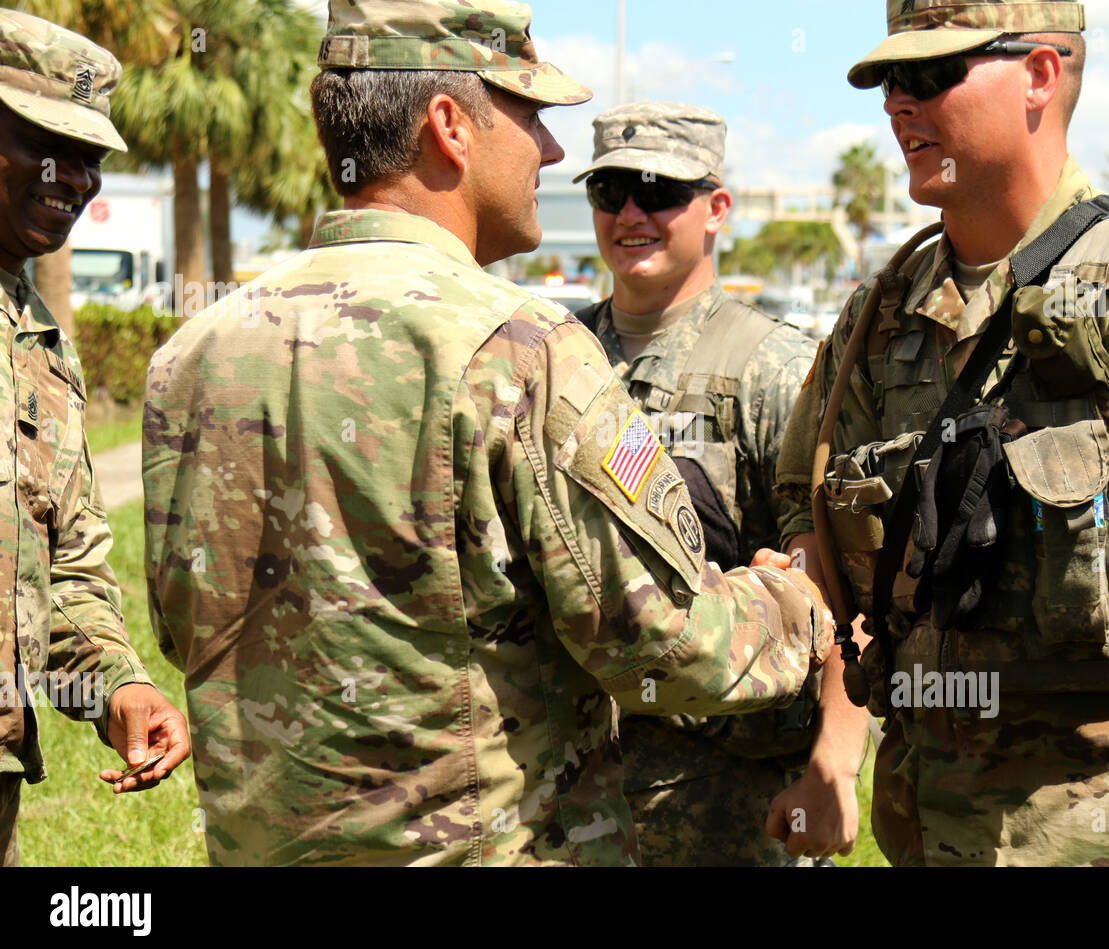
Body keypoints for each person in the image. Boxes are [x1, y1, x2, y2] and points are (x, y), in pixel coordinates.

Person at [142, 0, 828, 867]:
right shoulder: (521, 350)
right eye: (532, 114)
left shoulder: (190, 354)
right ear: (449, 127)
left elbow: (183, 626)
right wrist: (796, 606)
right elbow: (661, 636)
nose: (551, 152)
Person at [777, 0, 1109, 866]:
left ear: (1040, 74)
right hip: (929, 836)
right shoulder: (878, 319)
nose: (897, 105)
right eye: (889, 83)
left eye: (930, 76)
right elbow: (809, 531)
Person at [572, 102, 867, 865]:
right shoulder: (554, 356)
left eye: (658, 191)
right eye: (609, 192)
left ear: (717, 208)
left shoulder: (772, 368)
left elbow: (841, 580)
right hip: (577, 786)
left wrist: (833, 762)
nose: (631, 213)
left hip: (731, 799)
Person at [0, 9, 191, 866]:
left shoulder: (38, 344)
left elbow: (65, 561)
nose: (72, 178)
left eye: (90, 159)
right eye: (47, 144)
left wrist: (121, 682)